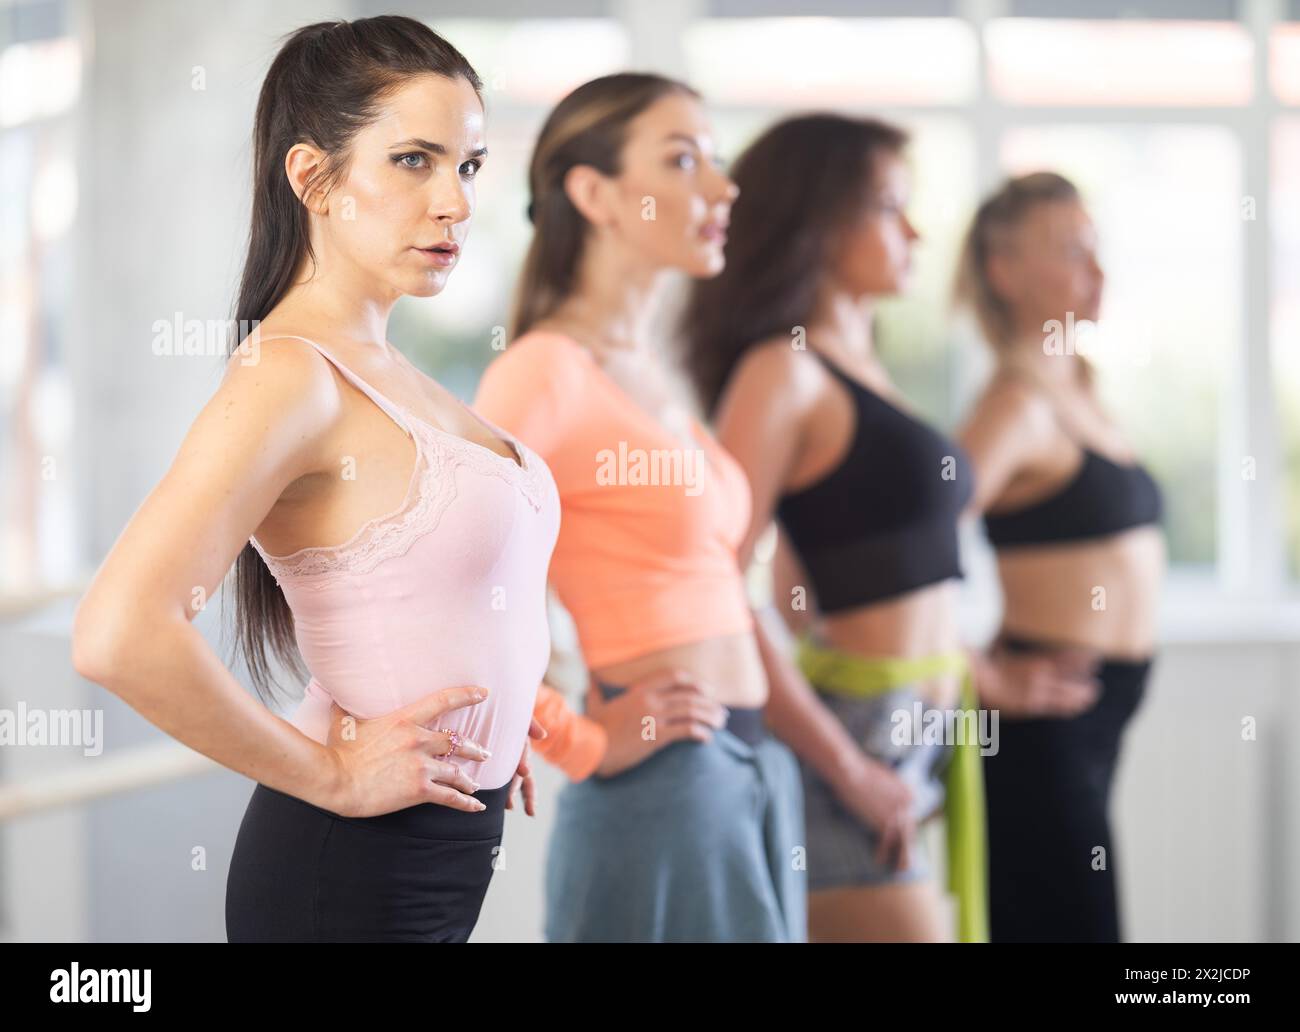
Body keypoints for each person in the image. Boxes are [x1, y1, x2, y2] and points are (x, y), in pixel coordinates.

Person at [71, 16, 559, 943]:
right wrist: (331, 773)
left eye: (469, 165)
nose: (453, 201)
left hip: (441, 846)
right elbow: (117, 633)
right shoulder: (290, 375)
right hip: (351, 867)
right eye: (414, 160)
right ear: (313, 178)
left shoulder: (393, 371)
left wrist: (503, 709)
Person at [473, 73, 807, 942]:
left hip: (750, 769)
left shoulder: (652, 372)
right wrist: (575, 738)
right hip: (664, 786)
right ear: (594, 194)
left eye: (717, 159)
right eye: (682, 159)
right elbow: (457, 588)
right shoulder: (541, 373)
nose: (722, 188)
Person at [953, 171, 1165, 943]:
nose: (1097, 272)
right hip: (1041, 730)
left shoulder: (1080, 386)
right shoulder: (1014, 406)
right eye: (1071, 252)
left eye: (1096, 249)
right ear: (1004, 272)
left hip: (1094, 724)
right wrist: (977, 670)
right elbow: (899, 547)